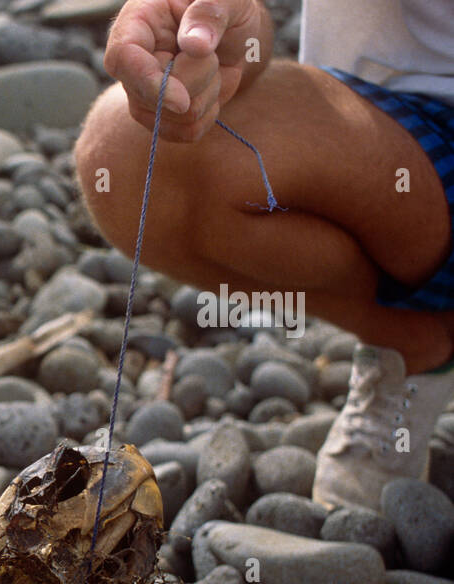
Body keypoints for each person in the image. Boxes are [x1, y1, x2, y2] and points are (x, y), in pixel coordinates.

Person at [74, 0, 454, 512]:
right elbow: (247, 43)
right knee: (125, 148)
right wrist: (218, 36)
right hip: (409, 129)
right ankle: (410, 342)